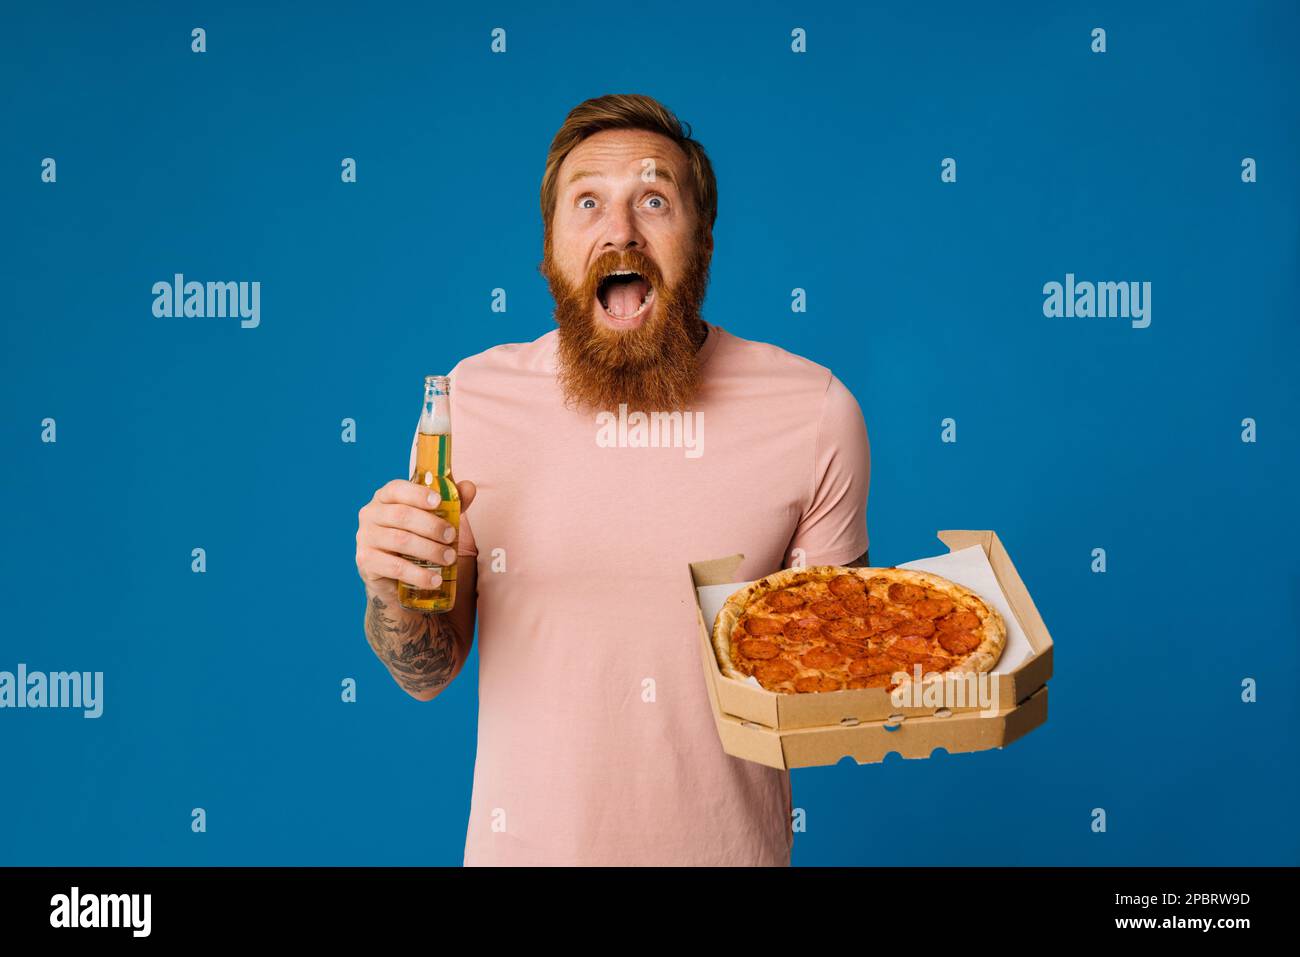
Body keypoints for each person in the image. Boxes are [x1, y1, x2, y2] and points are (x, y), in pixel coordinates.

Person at [355, 93, 871, 866]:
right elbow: (426, 670)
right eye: (587, 202)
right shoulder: (470, 402)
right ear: (549, 248)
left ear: (701, 242)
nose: (619, 230)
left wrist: (881, 654)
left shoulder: (814, 412)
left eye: (654, 200)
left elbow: (828, 708)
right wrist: (393, 589)